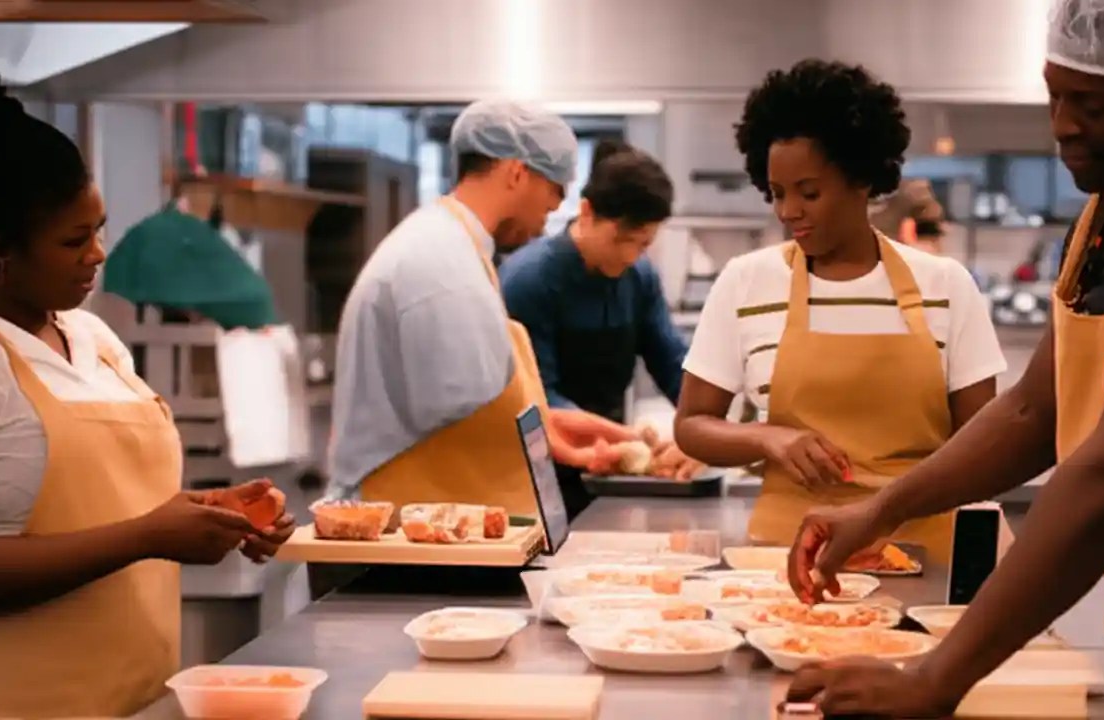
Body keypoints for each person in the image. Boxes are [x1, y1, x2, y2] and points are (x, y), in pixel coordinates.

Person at [783, 3, 1104, 717]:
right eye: (1054, 96)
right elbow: (1033, 411)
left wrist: (934, 679)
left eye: (1092, 105)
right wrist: (882, 510)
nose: (1062, 125)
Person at [0, 59, 295, 719]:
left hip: (126, 693)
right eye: (73, 240)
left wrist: (208, 514)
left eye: (99, 229)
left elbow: (113, 509)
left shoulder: (94, 339)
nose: (98, 253)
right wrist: (148, 536)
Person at [673, 59, 1006, 563]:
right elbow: (692, 424)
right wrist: (768, 438)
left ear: (862, 178)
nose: (789, 211)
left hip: (922, 553)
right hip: (790, 558)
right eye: (777, 193)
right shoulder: (746, 283)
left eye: (809, 193)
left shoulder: (945, 286)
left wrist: (888, 506)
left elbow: (984, 445)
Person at [327, 100, 637, 513]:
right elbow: (466, 414)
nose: (545, 222)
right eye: (552, 196)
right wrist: (549, 431)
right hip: (397, 520)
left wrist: (554, 427)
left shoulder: (455, 246)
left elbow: (475, 407)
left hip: (418, 512)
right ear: (517, 173)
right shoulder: (441, 261)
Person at [499, 140, 703, 511]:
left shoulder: (640, 277)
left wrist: (703, 429)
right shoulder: (528, 280)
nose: (630, 255)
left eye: (643, 245)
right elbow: (539, 396)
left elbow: (671, 361)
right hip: (540, 466)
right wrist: (623, 438)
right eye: (621, 240)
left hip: (610, 468)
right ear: (586, 211)